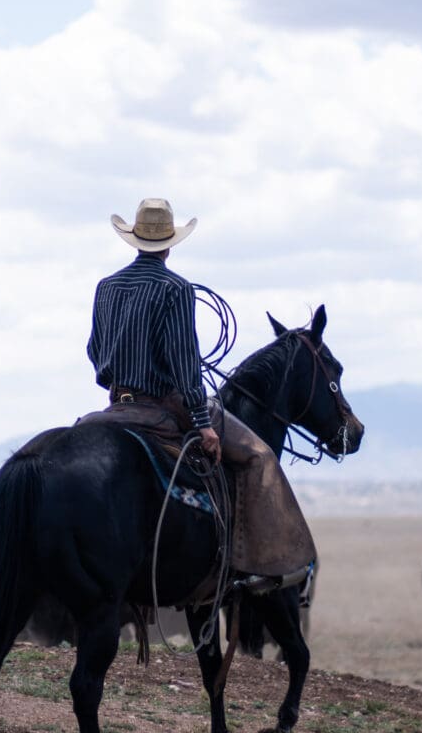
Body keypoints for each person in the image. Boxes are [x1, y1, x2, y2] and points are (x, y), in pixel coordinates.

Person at [87, 199, 316, 587]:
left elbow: (95, 351)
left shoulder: (106, 287)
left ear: (134, 240)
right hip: (162, 404)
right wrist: (201, 423)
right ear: (170, 244)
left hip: (115, 402)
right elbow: (184, 366)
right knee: (259, 456)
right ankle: (258, 567)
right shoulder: (176, 289)